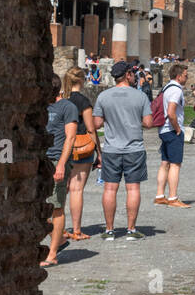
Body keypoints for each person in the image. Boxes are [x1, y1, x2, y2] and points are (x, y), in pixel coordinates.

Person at [92, 60, 156, 239]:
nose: (135, 76)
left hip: (111, 149)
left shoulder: (103, 96)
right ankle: (131, 229)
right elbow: (149, 123)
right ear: (127, 75)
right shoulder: (140, 96)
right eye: (133, 74)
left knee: (110, 189)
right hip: (134, 148)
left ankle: (109, 230)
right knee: (133, 189)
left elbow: (96, 123)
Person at [42, 75, 78, 267]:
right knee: (39, 207)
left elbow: (70, 138)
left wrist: (62, 164)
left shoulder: (67, 107)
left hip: (57, 160)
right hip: (41, 161)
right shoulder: (41, 107)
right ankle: (61, 239)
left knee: (56, 206)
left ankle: (53, 253)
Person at [62, 67, 100, 241]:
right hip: (81, 146)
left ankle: (60, 228)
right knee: (77, 190)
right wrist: (99, 152)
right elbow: (91, 128)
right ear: (82, 80)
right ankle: (76, 230)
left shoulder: (63, 99)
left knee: (64, 189)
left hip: (64, 147)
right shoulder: (84, 101)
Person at [155, 62, 189, 208]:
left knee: (165, 163)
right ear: (179, 76)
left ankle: (160, 195)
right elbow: (171, 112)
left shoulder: (166, 87)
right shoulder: (176, 90)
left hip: (163, 129)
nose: (187, 78)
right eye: (186, 76)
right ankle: (173, 197)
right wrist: (178, 129)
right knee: (175, 164)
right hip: (172, 129)